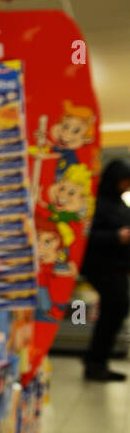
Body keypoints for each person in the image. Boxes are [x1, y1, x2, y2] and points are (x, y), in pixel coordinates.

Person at [81, 158, 130, 381]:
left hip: (118, 268)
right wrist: (116, 236)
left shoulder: (120, 204)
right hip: (101, 267)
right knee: (115, 307)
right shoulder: (95, 203)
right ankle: (95, 361)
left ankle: (98, 360)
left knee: (117, 310)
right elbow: (86, 238)